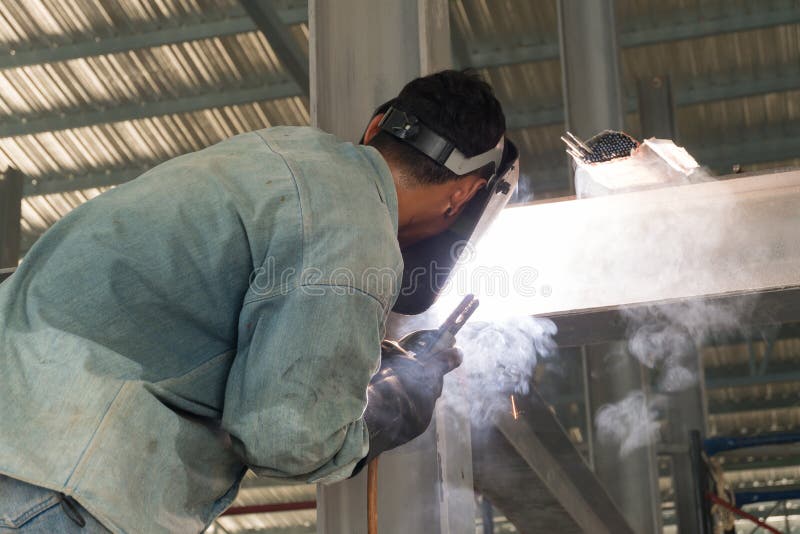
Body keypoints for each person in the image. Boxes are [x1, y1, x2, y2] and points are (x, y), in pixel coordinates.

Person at [0, 69, 514, 533]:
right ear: (464, 195)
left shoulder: (281, 154)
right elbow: (286, 438)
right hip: (60, 487)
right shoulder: (357, 227)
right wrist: (391, 404)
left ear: (377, 124)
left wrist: (355, 359)